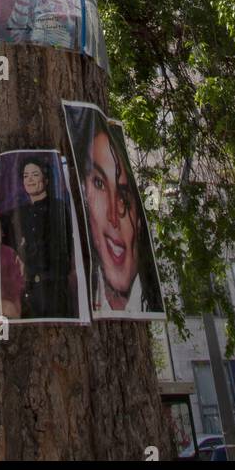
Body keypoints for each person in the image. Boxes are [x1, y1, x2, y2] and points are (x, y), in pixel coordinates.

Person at [67, 107, 159, 316]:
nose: (113, 217)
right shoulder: (70, 291)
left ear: (138, 221)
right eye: (99, 183)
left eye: (124, 197)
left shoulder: (149, 301)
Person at [0, 158, 76, 319]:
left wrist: (26, 252)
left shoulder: (58, 207)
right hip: (27, 291)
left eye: (35, 175)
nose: (30, 180)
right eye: (26, 176)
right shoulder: (19, 212)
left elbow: (58, 249)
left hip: (53, 289)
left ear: (46, 179)